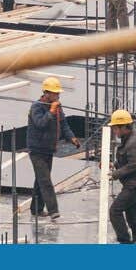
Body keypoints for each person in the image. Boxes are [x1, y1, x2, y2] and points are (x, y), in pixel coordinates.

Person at [27, 77, 79, 220]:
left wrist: (72, 138)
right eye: (55, 93)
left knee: (40, 180)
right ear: (47, 93)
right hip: (36, 150)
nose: (58, 96)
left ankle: (36, 209)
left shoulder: (57, 107)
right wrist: (51, 111)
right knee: (45, 181)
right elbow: (40, 123)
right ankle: (53, 210)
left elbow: (64, 124)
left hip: (49, 149)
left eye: (58, 94)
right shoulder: (36, 107)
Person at [107, 108, 136, 244]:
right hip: (133, 184)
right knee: (133, 215)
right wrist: (114, 165)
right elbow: (125, 160)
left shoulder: (134, 142)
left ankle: (125, 241)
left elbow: (133, 165)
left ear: (125, 127)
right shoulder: (128, 139)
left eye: (116, 128)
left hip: (135, 185)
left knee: (115, 211)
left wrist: (115, 174)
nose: (115, 131)